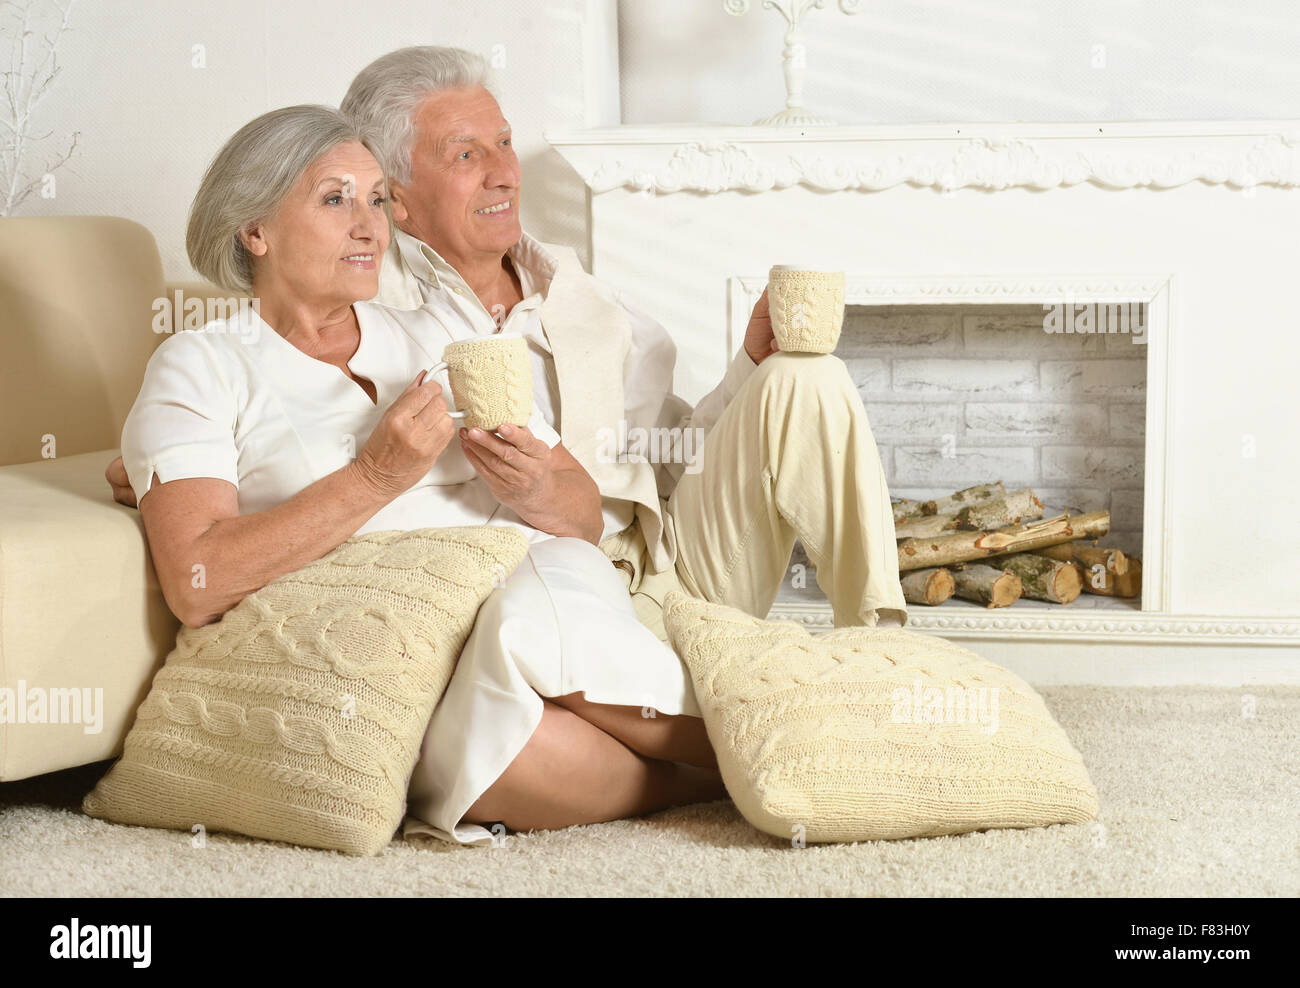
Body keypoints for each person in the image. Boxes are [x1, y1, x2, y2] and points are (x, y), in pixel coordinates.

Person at [120, 104, 724, 847]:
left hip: (529, 584)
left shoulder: (439, 334)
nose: (370, 226)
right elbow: (197, 581)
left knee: (529, 622)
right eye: (335, 199)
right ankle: (727, 775)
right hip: (403, 656)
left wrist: (534, 486)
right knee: (494, 761)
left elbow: (584, 518)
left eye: (377, 199)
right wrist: (377, 477)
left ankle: (766, 736)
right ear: (255, 230)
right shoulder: (201, 366)